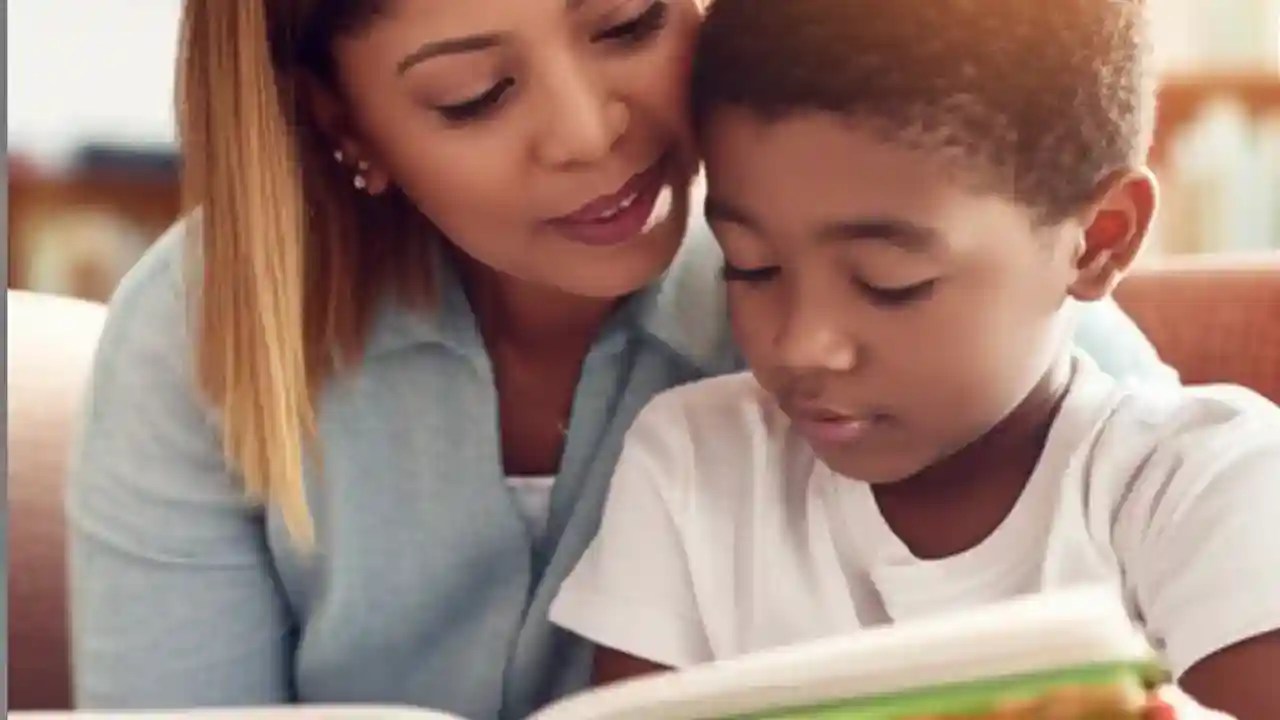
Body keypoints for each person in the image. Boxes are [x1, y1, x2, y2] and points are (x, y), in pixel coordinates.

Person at [68, 0, 1171, 717]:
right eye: (473, 95)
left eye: (628, 22)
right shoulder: (203, 327)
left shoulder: (873, 308)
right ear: (341, 122)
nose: (588, 132)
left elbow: (1138, 488)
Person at [548, 1, 1280, 718]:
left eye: (887, 282)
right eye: (751, 265)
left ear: (1097, 241)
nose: (802, 344)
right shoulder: (694, 464)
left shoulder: (1203, 484)